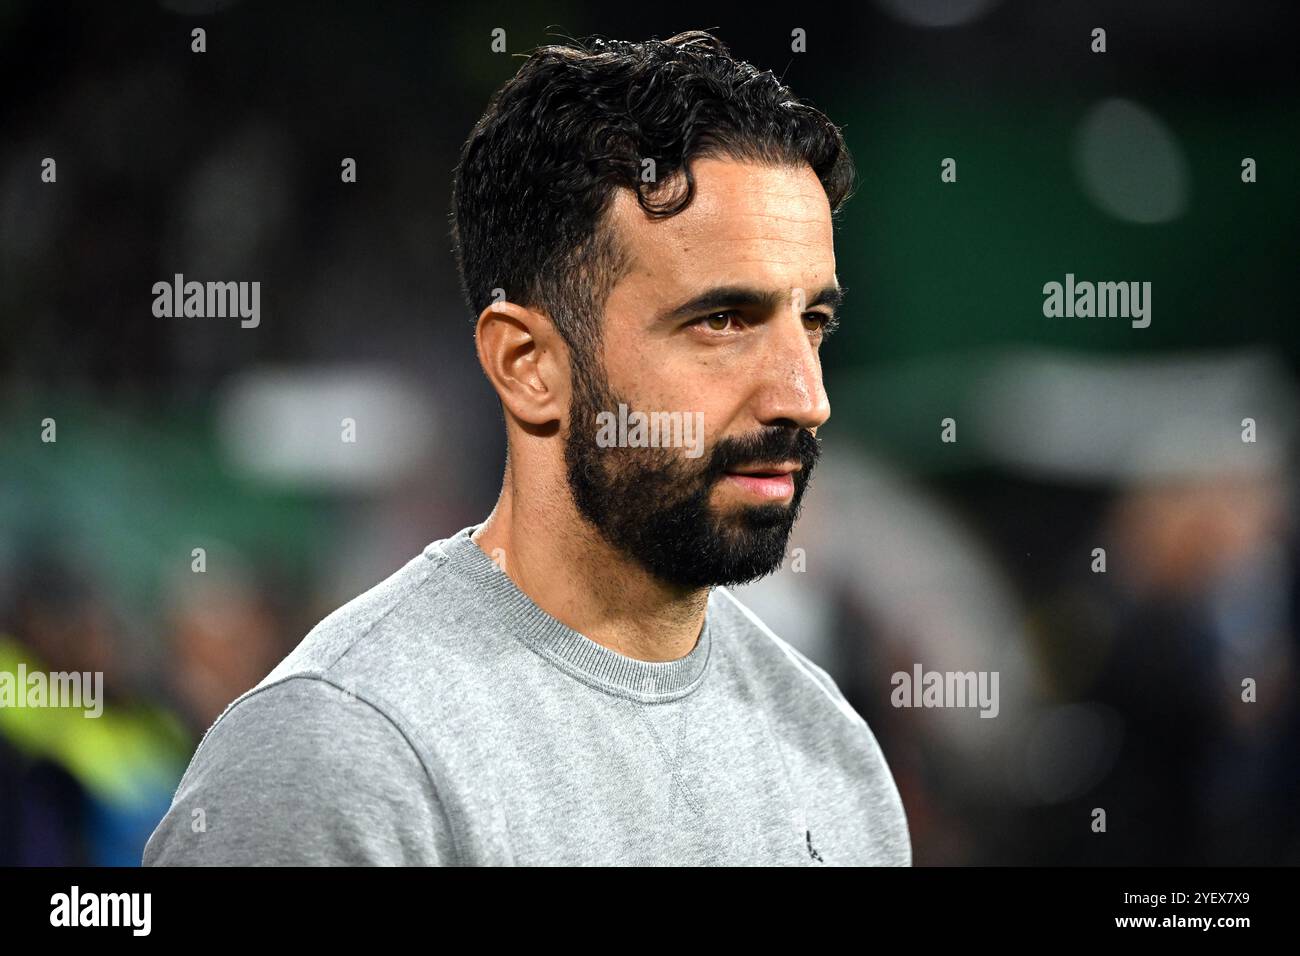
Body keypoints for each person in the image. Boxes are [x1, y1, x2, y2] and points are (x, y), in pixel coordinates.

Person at [143, 29, 910, 866]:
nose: (805, 398)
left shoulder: (832, 754)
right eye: (721, 322)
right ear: (527, 365)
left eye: (813, 323)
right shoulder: (345, 754)